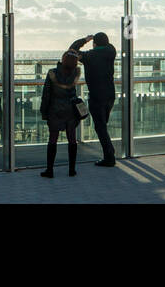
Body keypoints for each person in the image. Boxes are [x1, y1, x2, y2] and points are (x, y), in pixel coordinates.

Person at [72, 32, 118, 167]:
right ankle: (109, 151)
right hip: (110, 95)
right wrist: (99, 41)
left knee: (100, 127)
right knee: (103, 125)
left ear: (94, 44)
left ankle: (109, 156)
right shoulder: (111, 52)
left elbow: (72, 51)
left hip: (97, 96)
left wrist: (85, 39)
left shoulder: (88, 56)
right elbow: (108, 44)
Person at [39, 50, 82, 178]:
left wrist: (44, 112)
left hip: (55, 110)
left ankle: (50, 170)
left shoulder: (53, 73)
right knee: (72, 139)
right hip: (71, 110)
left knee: (53, 139)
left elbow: (46, 94)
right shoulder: (76, 73)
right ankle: (72, 169)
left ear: (63, 59)